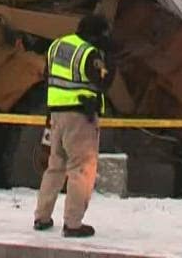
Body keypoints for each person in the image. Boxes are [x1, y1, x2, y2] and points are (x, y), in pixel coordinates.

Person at [34, 13, 113, 238]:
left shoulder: (57, 46)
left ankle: (42, 217)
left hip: (56, 114)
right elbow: (104, 80)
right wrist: (110, 57)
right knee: (82, 168)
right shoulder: (88, 52)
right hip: (80, 117)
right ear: (96, 34)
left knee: (55, 166)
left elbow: (49, 78)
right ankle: (73, 224)